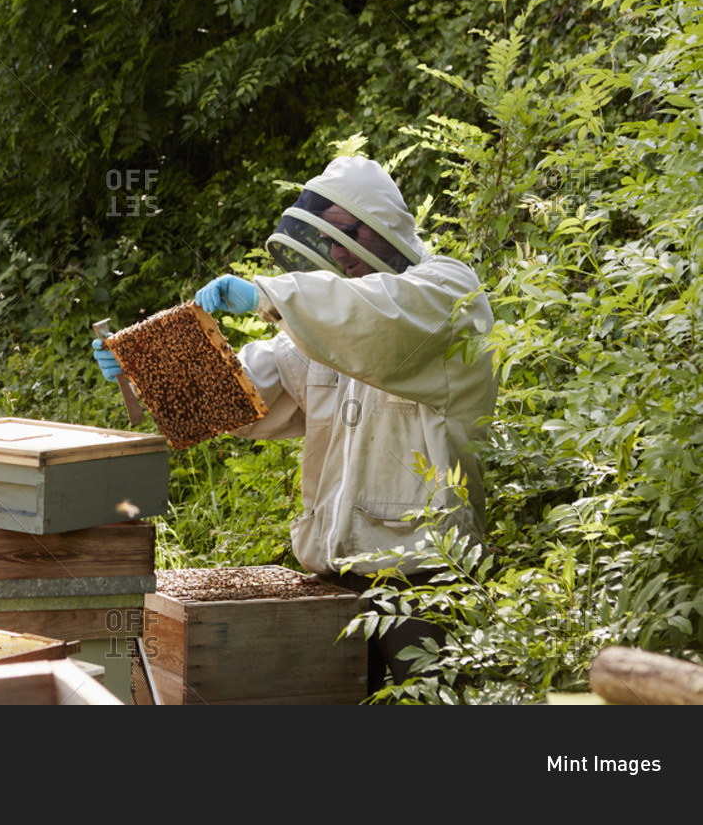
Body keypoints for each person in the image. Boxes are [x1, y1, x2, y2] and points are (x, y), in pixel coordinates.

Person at [93, 155, 496, 683]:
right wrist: (147, 370)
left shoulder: (446, 292)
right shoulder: (324, 327)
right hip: (336, 577)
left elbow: (378, 316)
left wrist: (266, 294)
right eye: (328, 239)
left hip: (428, 578)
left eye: (347, 233)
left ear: (383, 224)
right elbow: (241, 396)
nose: (337, 253)